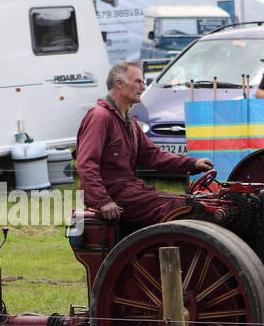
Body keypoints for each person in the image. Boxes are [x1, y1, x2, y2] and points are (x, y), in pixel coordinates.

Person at [75, 61, 213, 227]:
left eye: (143, 82)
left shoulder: (130, 121)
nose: (143, 87)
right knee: (184, 207)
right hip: (116, 195)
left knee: (190, 202)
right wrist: (102, 200)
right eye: (138, 81)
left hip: (132, 191)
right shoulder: (100, 116)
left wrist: (192, 163)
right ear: (119, 83)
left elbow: (153, 155)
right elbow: (86, 164)